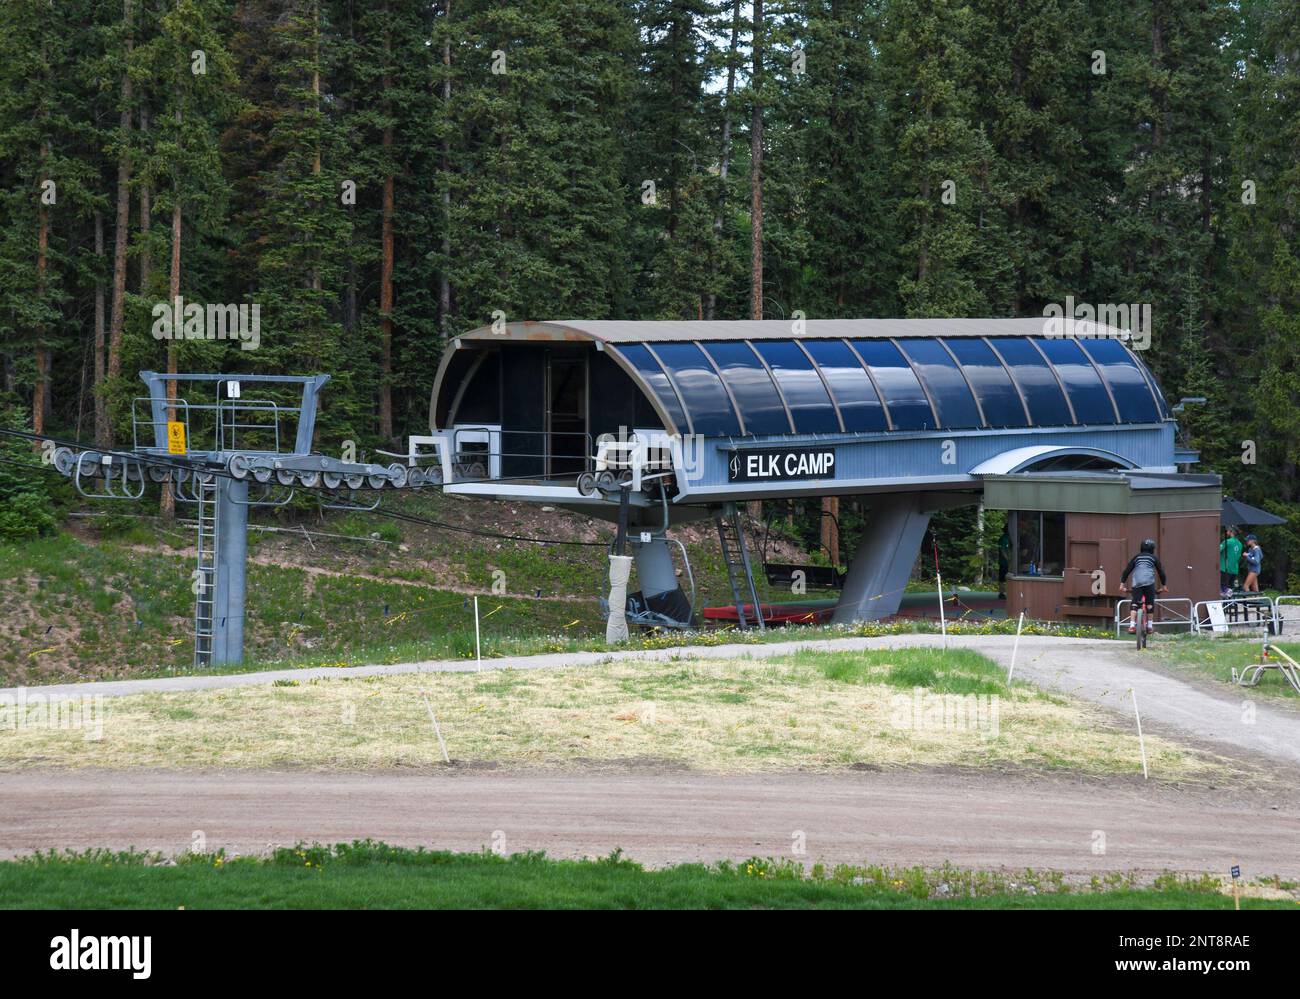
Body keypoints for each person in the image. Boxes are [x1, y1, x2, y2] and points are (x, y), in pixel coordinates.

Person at [1118, 538, 1168, 634]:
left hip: (1137, 582)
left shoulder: (1136, 557)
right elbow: (1161, 572)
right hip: (1149, 582)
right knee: (1149, 604)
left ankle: (1132, 625)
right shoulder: (1153, 558)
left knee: (1135, 603)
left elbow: (1127, 570)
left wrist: (1122, 584)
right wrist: (1164, 585)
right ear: (1152, 549)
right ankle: (1149, 626)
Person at [1219, 526, 1242, 597]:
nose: (1226, 532)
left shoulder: (1227, 542)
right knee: (1228, 588)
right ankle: (1228, 600)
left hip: (1225, 568)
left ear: (1231, 532)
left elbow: (1217, 550)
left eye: (1228, 530)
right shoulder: (1240, 544)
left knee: (1222, 588)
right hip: (1234, 569)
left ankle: (1226, 592)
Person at [997, 525, 1010, 599]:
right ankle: (1002, 593)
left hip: (1008, 561)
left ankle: (1005, 592)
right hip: (1004, 562)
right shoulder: (1003, 538)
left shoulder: (1009, 538)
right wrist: (1007, 559)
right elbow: (1002, 550)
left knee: (1006, 577)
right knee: (1002, 578)